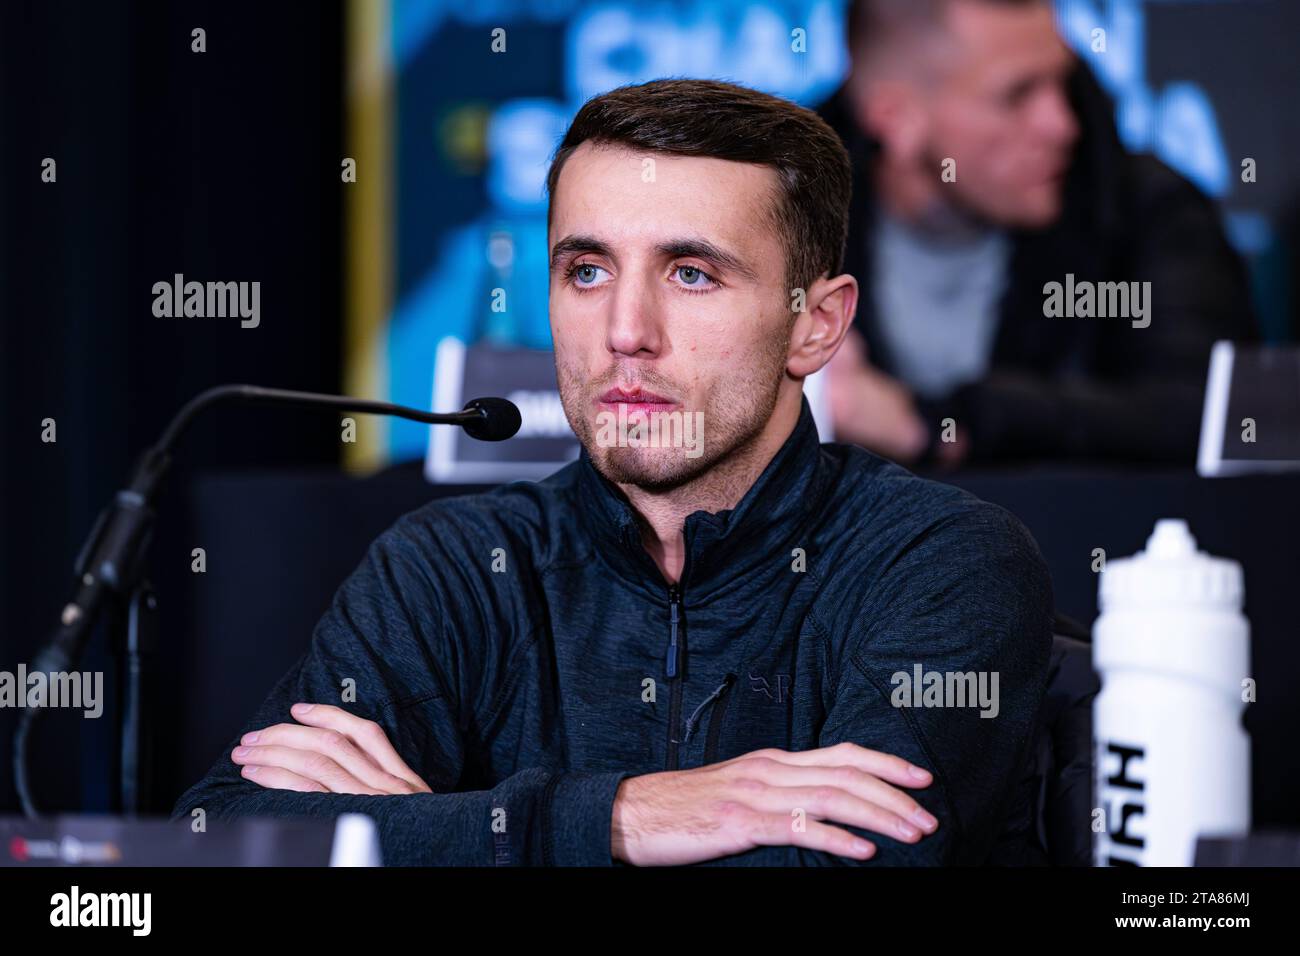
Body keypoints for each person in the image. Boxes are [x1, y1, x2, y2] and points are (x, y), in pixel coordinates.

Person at [173, 78, 1053, 866]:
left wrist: (433, 830)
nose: (627, 329)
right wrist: (628, 818)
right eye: (587, 270)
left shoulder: (945, 563)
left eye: (693, 273)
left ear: (815, 326)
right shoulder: (447, 566)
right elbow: (227, 837)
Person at [818, 0, 1256, 465]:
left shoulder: (1144, 208)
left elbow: (1211, 418)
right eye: (1017, 95)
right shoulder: (783, 210)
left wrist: (939, 427)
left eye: (1061, 81)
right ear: (895, 117)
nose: (1061, 125)